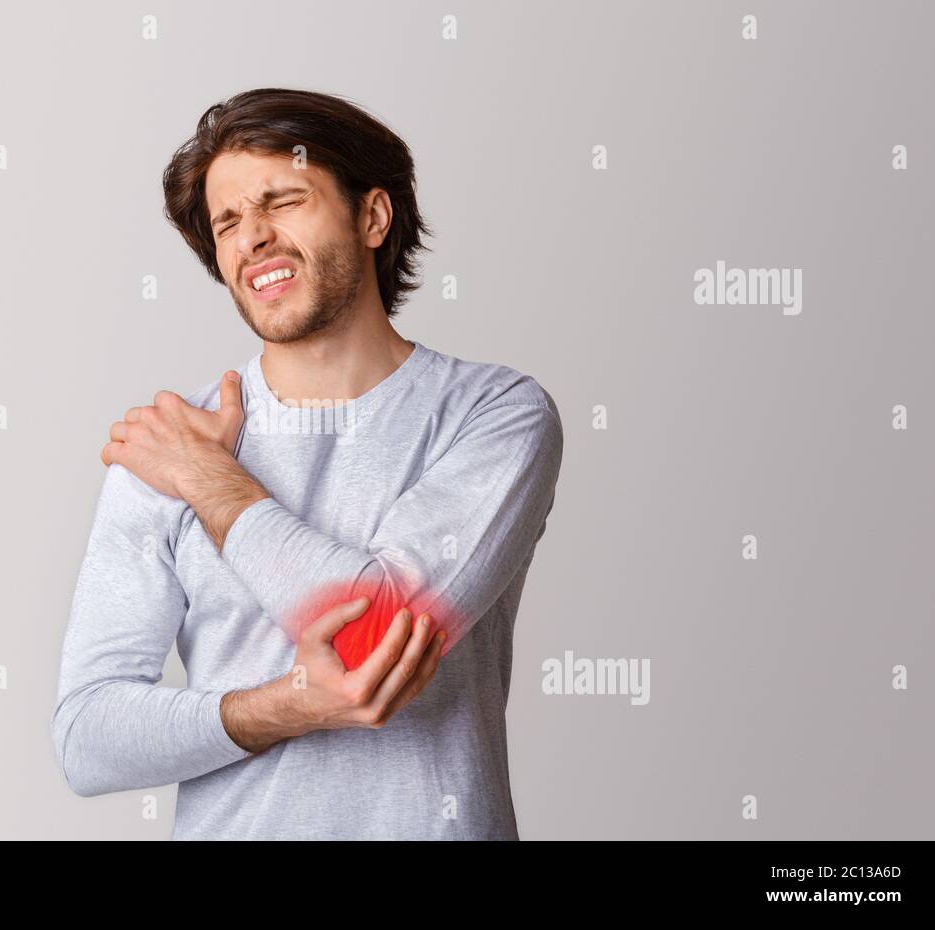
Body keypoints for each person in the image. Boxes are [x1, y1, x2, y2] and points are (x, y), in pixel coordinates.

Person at [52, 88, 563, 840]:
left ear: (372, 217)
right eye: (227, 222)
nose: (251, 236)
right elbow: (86, 739)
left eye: (282, 200)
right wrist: (284, 705)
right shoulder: (169, 444)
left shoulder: (496, 414)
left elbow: (373, 642)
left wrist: (210, 482)